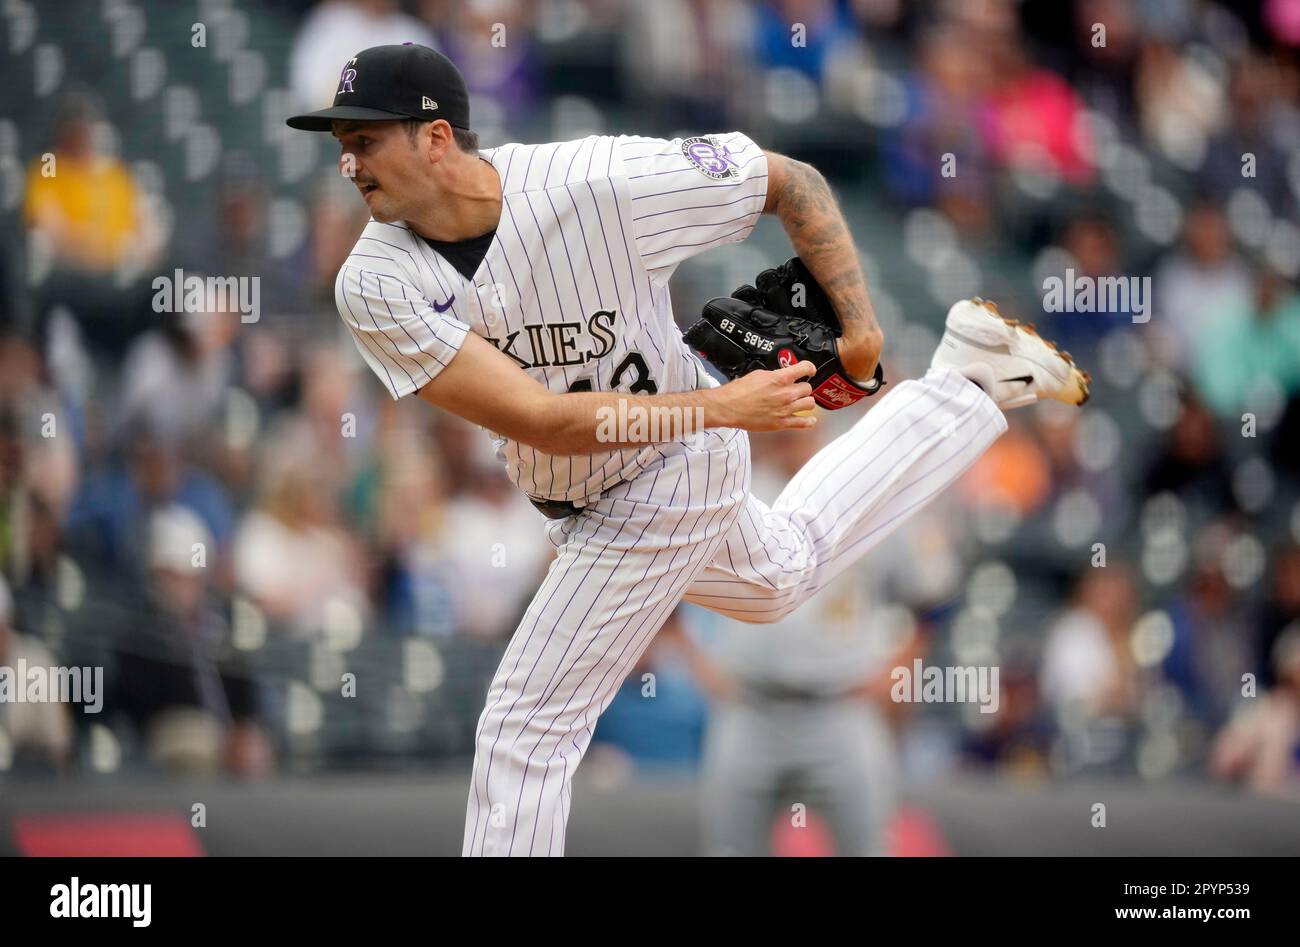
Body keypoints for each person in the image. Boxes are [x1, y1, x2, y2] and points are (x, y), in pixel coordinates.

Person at [286, 43, 1088, 856]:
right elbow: (536, 417)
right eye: (343, 145)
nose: (348, 163)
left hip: (671, 472)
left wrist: (861, 328)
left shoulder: (598, 182)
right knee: (778, 571)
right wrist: (720, 405)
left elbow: (792, 181)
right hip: (604, 475)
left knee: (524, 727)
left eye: (366, 140)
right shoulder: (373, 280)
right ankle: (966, 381)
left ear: (434, 137)